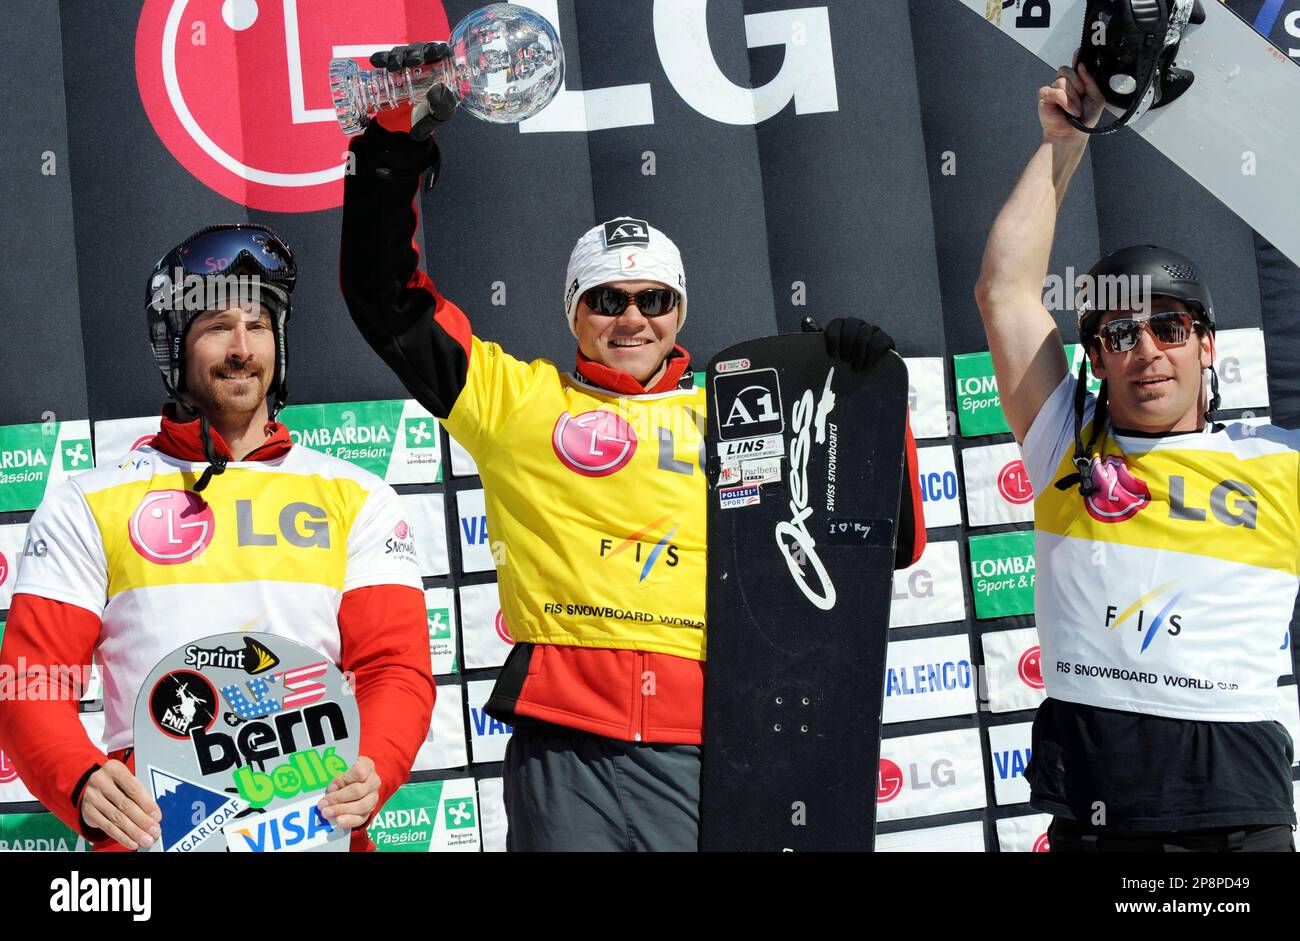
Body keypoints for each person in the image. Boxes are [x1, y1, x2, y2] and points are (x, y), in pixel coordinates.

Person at [340, 43, 926, 851]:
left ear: (679, 312)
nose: (631, 318)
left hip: (711, 742)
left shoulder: (742, 413)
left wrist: (866, 401)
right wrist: (390, 151)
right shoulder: (517, 403)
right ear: (573, 313)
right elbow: (386, 298)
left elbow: (876, 546)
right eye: (606, 299)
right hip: (566, 749)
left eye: (654, 298)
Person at [0, 224, 435, 852]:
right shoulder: (87, 502)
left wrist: (376, 766)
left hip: (315, 828)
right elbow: (33, 679)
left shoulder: (357, 495)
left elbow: (395, 669)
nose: (241, 347)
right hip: (157, 833)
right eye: (215, 326)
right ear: (174, 346)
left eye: (258, 325)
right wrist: (79, 780)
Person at [975, 56, 1297, 851]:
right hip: (1096, 810)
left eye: (1170, 328)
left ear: (1207, 345)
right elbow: (1007, 293)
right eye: (1121, 333)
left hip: (1238, 809)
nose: (1147, 349)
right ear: (1099, 356)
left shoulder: (1280, 463)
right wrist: (1063, 141)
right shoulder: (1064, 444)